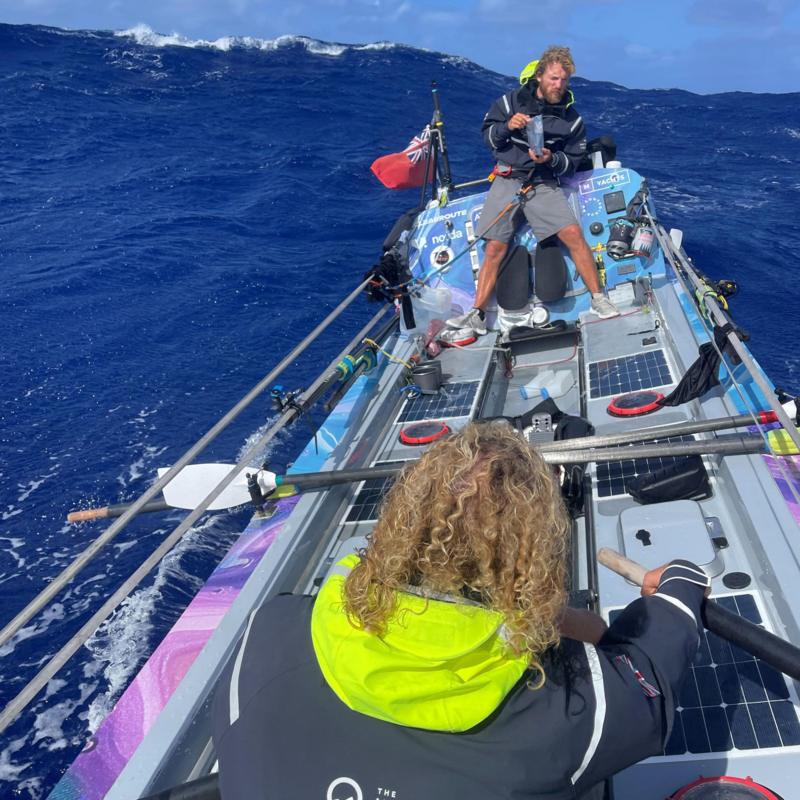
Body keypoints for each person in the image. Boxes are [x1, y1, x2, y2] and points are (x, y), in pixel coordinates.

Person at [213, 421, 708, 799]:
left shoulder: (267, 629)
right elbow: (650, 682)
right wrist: (680, 582)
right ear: (531, 556)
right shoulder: (560, 716)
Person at [447, 46, 619, 336]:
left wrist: (551, 159)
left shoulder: (572, 119)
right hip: (508, 179)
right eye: (553, 79)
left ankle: (598, 299)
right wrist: (506, 127)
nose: (559, 85)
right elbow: (488, 137)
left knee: (574, 235)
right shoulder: (509, 102)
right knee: (495, 247)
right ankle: (476, 314)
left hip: (542, 183)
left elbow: (573, 162)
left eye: (564, 80)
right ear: (539, 76)